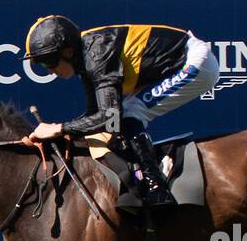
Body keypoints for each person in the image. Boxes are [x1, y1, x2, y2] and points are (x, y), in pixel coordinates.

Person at [21, 15, 219, 206]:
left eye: (49, 61)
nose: (49, 70)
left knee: (132, 112)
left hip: (193, 61)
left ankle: (157, 186)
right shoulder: (85, 59)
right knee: (123, 119)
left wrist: (59, 128)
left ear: (68, 51)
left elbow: (109, 117)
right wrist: (61, 134)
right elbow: (96, 116)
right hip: (174, 62)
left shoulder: (97, 54)